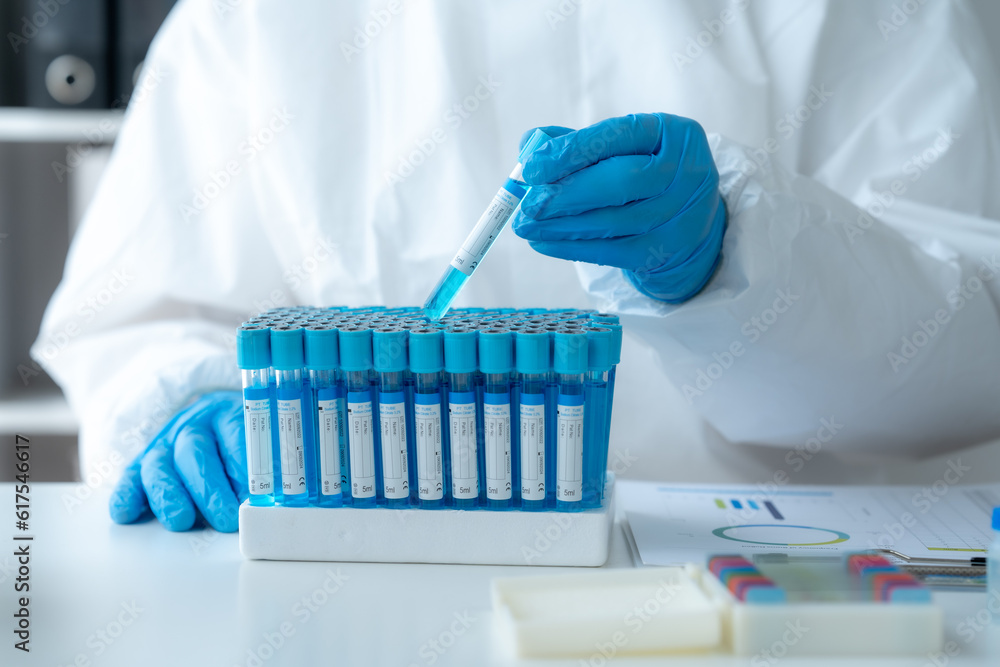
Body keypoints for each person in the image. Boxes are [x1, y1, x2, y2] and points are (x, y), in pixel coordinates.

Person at [32, 0, 1000, 532]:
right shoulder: (255, 21)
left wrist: (743, 258)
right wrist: (185, 410)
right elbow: (139, 318)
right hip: (361, 605)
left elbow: (971, 333)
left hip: (782, 593)